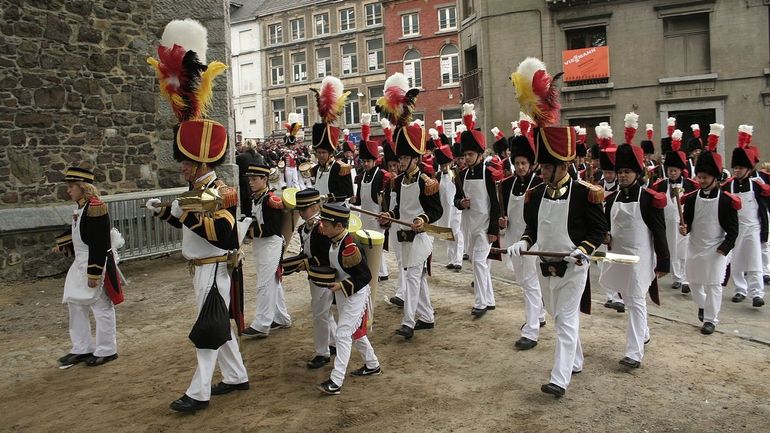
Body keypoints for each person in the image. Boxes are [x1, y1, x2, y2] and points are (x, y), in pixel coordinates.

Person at [146, 19, 248, 412]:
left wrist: (182, 214)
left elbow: (221, 234)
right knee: (217, 326)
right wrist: (168, 215)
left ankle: (198, 392)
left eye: (184, 163)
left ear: (195, 162)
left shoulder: (217, 191)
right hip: (202, 265)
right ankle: (237, 376)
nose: (180, 169)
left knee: (208, 328)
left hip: (214, 266)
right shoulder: (197, 191)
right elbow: (195, 224)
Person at [507, 57, 607, 398]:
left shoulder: (585, 194)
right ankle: (575, 360)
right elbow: (531, 229)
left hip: (573, 266)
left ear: (562, 165)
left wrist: (584, 251)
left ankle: (559, 378)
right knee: (559, 317)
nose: (542, 172)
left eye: (548, 167)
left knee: (565, 320)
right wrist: (522, 242)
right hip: (543, 266)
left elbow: (597, 231)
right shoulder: (534, 194)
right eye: (541, 166)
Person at [376, 72, 442, 339]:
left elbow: (437, 211)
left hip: (421, 236)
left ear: (416, 158)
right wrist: (387, 216)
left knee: (413, 277)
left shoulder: (428, 181)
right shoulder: (396, 182)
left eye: (405, 158)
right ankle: (427, 316)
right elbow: (397, 209)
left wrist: (423, 220)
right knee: (416, 277)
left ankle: (409, 322)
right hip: (401, 235)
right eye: (399, 158)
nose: (401, 162)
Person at [600, 142, 669, 369]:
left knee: (636, 300)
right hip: (618, 255)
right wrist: (606, 237)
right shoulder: (610, 200)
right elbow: (608, 228)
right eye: (619, 172)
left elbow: (659, 231)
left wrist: (664, 260)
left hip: (641, 258)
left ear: (637, 173)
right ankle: (644, 333)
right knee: (628, 298)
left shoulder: (649, 199)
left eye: (626, 172)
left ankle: (634, 352)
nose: (622, 176)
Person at [54, 166, 121, 368]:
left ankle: (107, 349)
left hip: (94, 262)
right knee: (75, 303)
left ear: (83, 187)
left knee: (101, 306)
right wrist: (63, 243)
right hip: (80, 262)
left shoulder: (96, 207)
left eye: (72, 186)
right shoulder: (82, 207)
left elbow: (99, 243)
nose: (68, 191)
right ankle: (81, 347)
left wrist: (94, 272)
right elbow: (81, 231)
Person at [680, 123, 740, 335]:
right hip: (695, 246)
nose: (701, 180)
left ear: (715, 177)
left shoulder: (726, 201)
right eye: (699, 177)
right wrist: (684, 228)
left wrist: (725, 248)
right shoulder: (692, 198)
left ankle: (711, 320)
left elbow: (733, 230)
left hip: (716, 248)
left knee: (714, 284)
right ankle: (703, 307)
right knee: (695, 283)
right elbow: (687, 222)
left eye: (705, 177)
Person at [316, 202, 381, 395]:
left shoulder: (350, 246)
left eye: (326, 225)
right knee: (354, 332)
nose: (322, 227)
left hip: (355, 293)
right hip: (344, 293)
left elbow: (365, 276)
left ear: (338, 226)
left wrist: (342, 285)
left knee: (343, 334)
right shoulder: (335, 239)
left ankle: (336, 381)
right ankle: (372, 364)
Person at [498, 126, 546, 350]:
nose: (519, 167)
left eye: (523, 163)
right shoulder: (506, 185)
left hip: (532, 239)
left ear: (531, 163)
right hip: (512, 238)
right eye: (516, 163)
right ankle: (540, 313)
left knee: (530, 282)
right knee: (523, 280)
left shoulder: (539, 185)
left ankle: (531, 330)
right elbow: (502, 211)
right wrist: (502, 221)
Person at [455, 103, 501, 318]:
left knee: (479, 263)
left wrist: (493, 228)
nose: (467, 159)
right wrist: (460, 203)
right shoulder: (462, 175)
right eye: (465, 155)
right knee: (476, 261)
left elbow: (496, 203)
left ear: (480, 154)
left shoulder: (489, 174)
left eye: (471, 154)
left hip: (484, 226)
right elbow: (457, 198)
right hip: (469, 224)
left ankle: (480, 302)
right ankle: (489, 299)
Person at [242, 163, 292, 338]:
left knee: (264, 284)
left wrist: (248, 231)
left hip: (270, 244)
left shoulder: (271, 200)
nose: (251, 182)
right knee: (272, 282)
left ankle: (262, 324)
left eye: (255, 179)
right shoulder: (256, 198)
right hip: (261, 244)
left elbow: (272, 228)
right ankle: (281, 317)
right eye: (250, 179)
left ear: (265, 179)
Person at [290, 188, 337, 368]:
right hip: (314, 275)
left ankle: (322, 352)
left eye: (305, 209)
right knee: (324, 312)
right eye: (300, 210)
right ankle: (333, 343)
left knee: (320, 313)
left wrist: (307, 264)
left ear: (316, 207)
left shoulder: (323, 228)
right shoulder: (305, 227)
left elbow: (326, 256)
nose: (301, 213)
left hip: (325, 275)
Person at [725, 125, 768, 307]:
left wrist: (764, 233)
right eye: (735, 168)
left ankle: (757, 293)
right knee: (736, 261)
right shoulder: (728, 186)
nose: (736, 171)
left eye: (740, 168)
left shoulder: (757, 185)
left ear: (748, 169)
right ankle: (739, 290)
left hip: (753, 228)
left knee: (754, 261)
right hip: (736, 229)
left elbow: (763, 211)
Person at [651, 130, 698, 294]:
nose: (672, 173)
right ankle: (677, 278)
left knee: (684, 252)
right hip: (668, 223)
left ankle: (686, 279)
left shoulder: (691, 185)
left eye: (675, 170)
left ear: (681, 170)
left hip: (684, 222)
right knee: (672, 251)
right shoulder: (661, 185)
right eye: (670, 170)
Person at [351, 113, 389, 281]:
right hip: (364, 215)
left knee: (377, 246)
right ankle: (374, 271)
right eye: (363, 161)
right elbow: (359, 198)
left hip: (376, 216)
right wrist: (353, 200)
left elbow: (385, 198)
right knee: (367, 245)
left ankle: (382, 272)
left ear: (375, 160)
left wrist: (385, 215)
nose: (365, 164)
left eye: (368, 161)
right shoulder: (361, 176)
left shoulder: (381, 176)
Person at [594, 122, 624, 313]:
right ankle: (611, 296)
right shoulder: (597, 185)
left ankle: (618, 294)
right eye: (605, 172)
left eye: (611, 172)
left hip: (617, 229)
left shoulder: (622, 188)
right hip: (600, 229)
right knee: (601, 261)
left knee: (616, 263)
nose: (608, 175)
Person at [310, 76, 354, 203]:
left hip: (336, 211)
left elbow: (347, 193)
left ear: (330, 153)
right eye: (318, 152)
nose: (320, 156)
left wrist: (327, 197)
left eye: (323, 152)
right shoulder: (316, 169)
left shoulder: (341, 168)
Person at [434, 141, 464, 272]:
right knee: (448, 234)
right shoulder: (438, 175)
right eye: (442, 164)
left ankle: (458, 260)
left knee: (457, 233)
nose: (444, 167)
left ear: (451, 162)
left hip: (455, 209)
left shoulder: (456, 174)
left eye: (446, 164)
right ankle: (451, 259)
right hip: (444, 209)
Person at [236, 140, 263, 217]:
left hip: (246, 185)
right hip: (259, 184)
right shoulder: (259, 156)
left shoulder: (241, 157)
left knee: (246, 208)